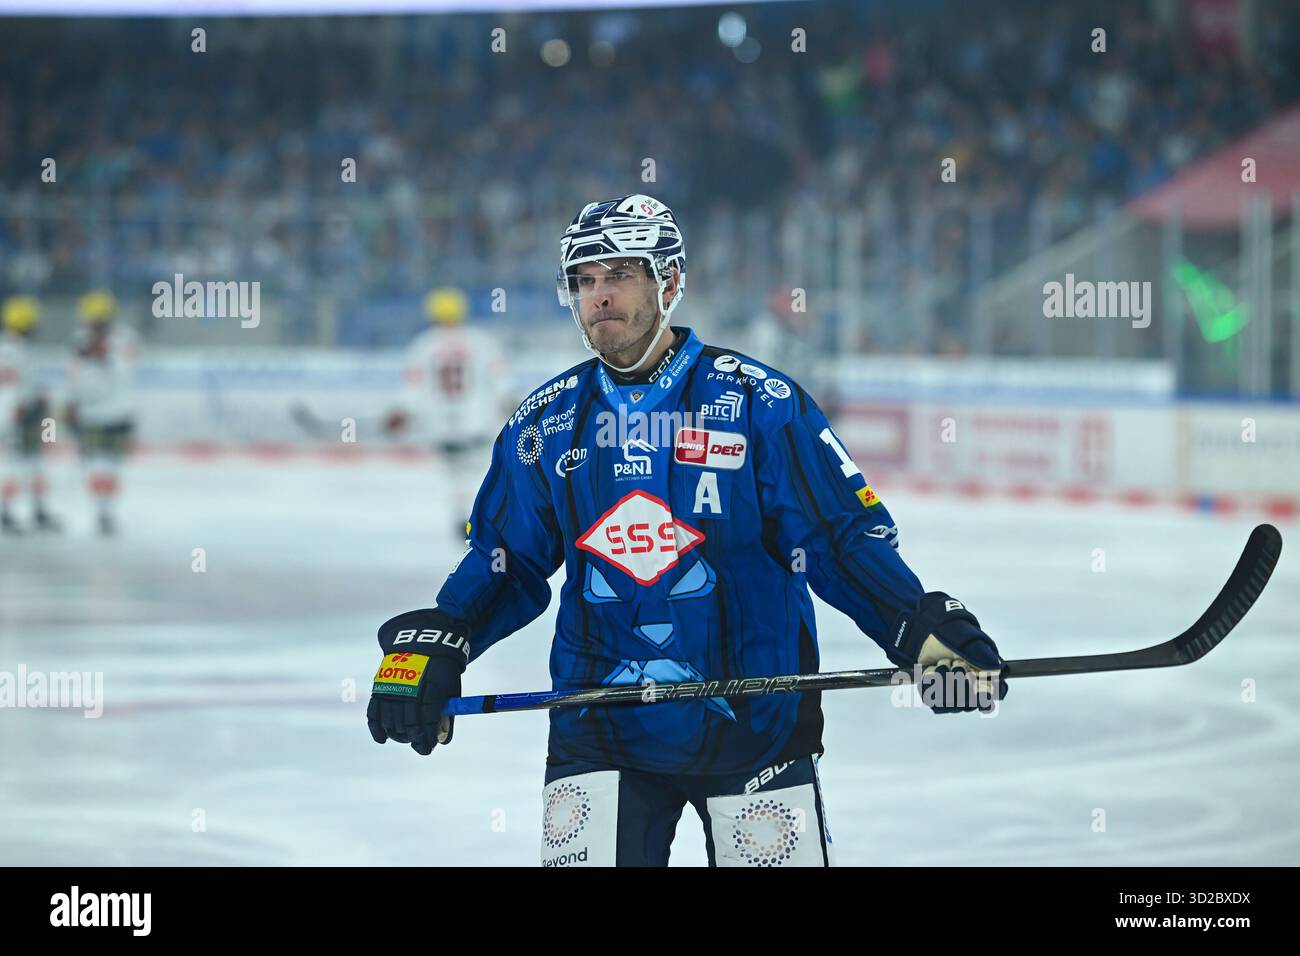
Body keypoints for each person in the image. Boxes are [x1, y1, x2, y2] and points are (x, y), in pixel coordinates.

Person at [366, 195, 1009, 867]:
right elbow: (505, 560)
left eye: (618, 275)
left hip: (757, 724)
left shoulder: (761, 402)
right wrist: (441, 640)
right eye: (584, 281)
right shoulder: (545, 421)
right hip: (599, 730)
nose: (598, 296)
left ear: (669, 283)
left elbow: (838, 540)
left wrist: (915, 625)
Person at [382, 286, 510, 538]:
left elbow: (414, 387)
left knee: (456, 475)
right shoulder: (482, 342)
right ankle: (484, 518)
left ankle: (464, 518)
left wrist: (401, 412)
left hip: (440, 424)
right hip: (477, 420)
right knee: (484, 470)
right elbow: (501, 383)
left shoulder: (423, 345)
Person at [65, 291, 138, 536]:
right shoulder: (80, 342)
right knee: (98, 465)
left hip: (113, 412)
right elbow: (74, 378)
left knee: (111, 466)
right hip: (100, 413)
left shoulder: (122, 339)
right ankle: (102, 511)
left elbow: (125, 367)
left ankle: (105, 511)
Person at [0, 295, 61, 534]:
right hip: (17, 417)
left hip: (19, 416)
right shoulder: (13, 350)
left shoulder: (12, 348)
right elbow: (15, 388)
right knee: (16, 465)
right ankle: (7, 512)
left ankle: (36, 511)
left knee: (33, 465)